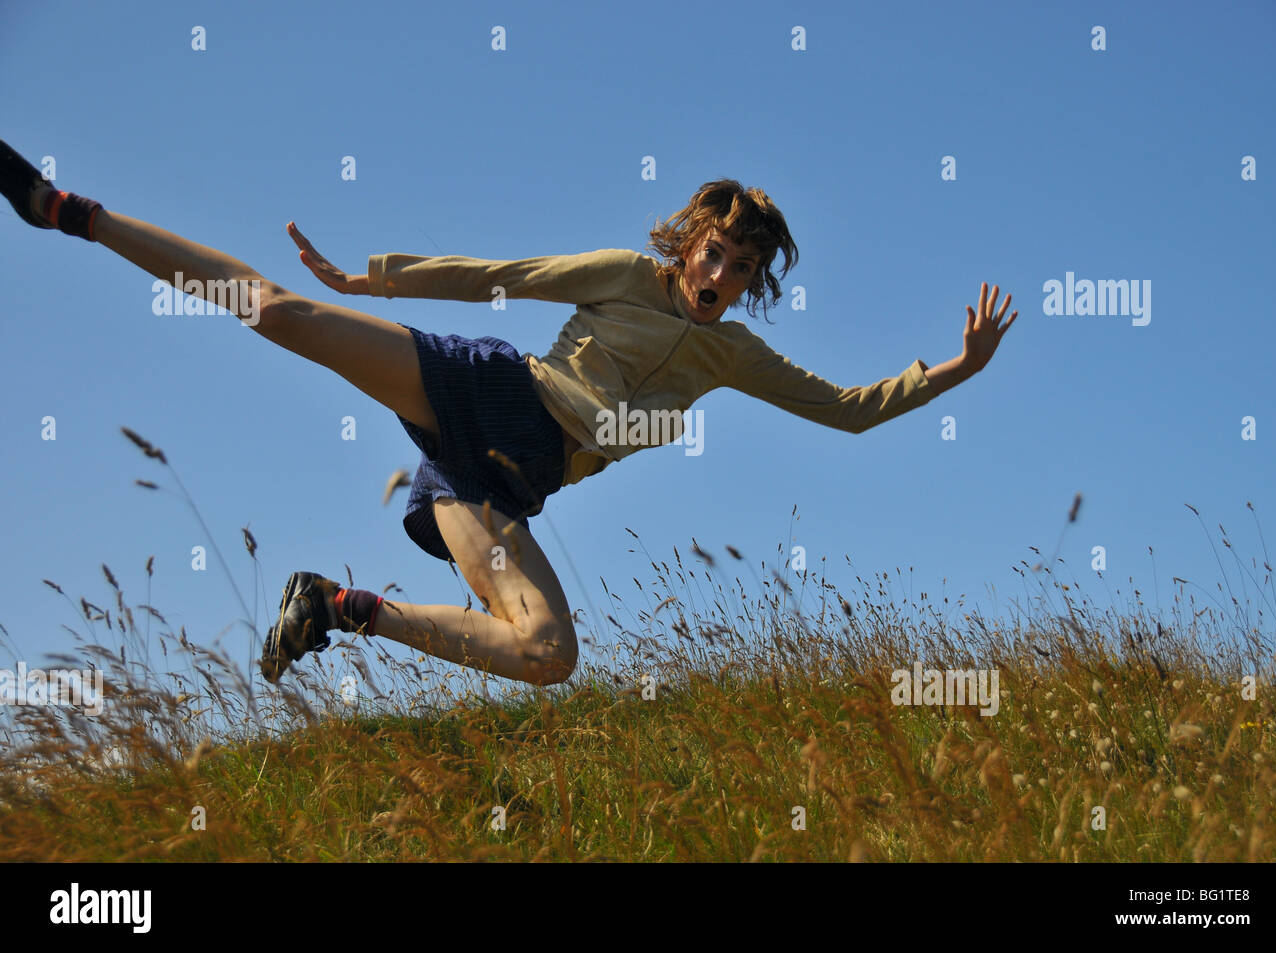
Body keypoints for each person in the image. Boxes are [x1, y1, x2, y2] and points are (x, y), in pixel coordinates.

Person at [1, 140, 1017, 688]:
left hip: (505, 477)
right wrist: (378, 279)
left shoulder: (733, 353)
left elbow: (846, 409)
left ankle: (337, 604)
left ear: (749, 283)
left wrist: (956, 370)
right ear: (691, 240)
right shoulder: (627, 273)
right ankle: (68, 212)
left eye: (741, 267)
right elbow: (507, 274)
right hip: (489, 388)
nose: (721, 271)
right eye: (715, 250)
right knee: (278, 313)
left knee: (547, 655)